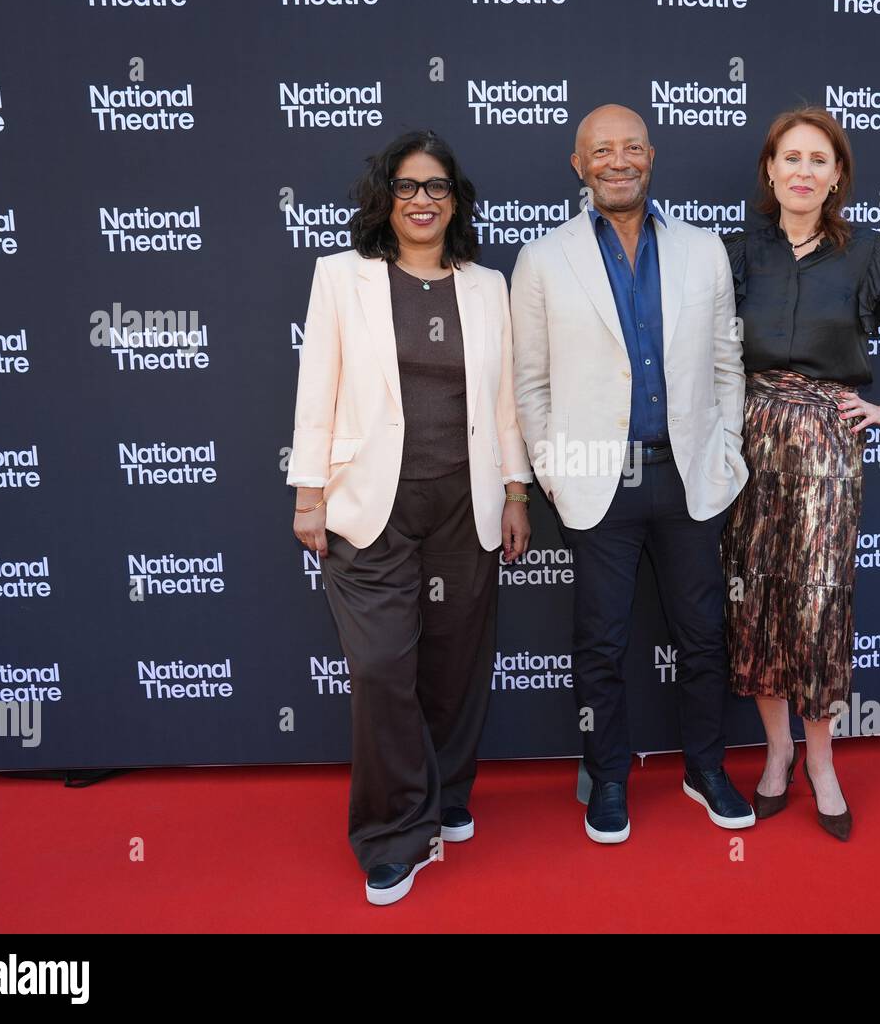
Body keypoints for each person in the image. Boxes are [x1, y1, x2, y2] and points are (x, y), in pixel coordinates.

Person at [287, 130, 533, 904]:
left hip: (468, 498)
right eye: (407, 186)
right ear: (384, 197)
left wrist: (516, 492)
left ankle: (448, 793)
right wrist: (308, 491)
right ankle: (394, 832)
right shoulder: (341, 278)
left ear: (455, 200)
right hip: (370, 501)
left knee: (458, 662)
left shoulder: (487, 286)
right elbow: (316, 385)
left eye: (437, 187)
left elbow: (503, 403)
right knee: (383, 667)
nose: (422, 200)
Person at [510, 104, 755, 844]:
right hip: (594, 483)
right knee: (601, 642)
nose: (618, 161)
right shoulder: (543, 258)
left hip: (688, 478)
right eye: (600, 151)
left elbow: (724, 363)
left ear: (651, 155)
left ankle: (705, 767)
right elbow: (530, 384)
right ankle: (609, 775)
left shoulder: (703, 250)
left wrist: (726, 450)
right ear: (577, 166)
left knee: (704, 634)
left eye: (630, 148)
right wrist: (554, 471)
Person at [721, 106, 880, 840]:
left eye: (818, 160)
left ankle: (821, 761)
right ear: (769, 170)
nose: (802, 170)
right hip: (750, 442)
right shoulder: (738, 253)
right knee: (755, 598)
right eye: (789, 157)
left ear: (836, 176)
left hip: (828, 443)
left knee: (818, 607)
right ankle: (777, 749)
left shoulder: (870, 254)